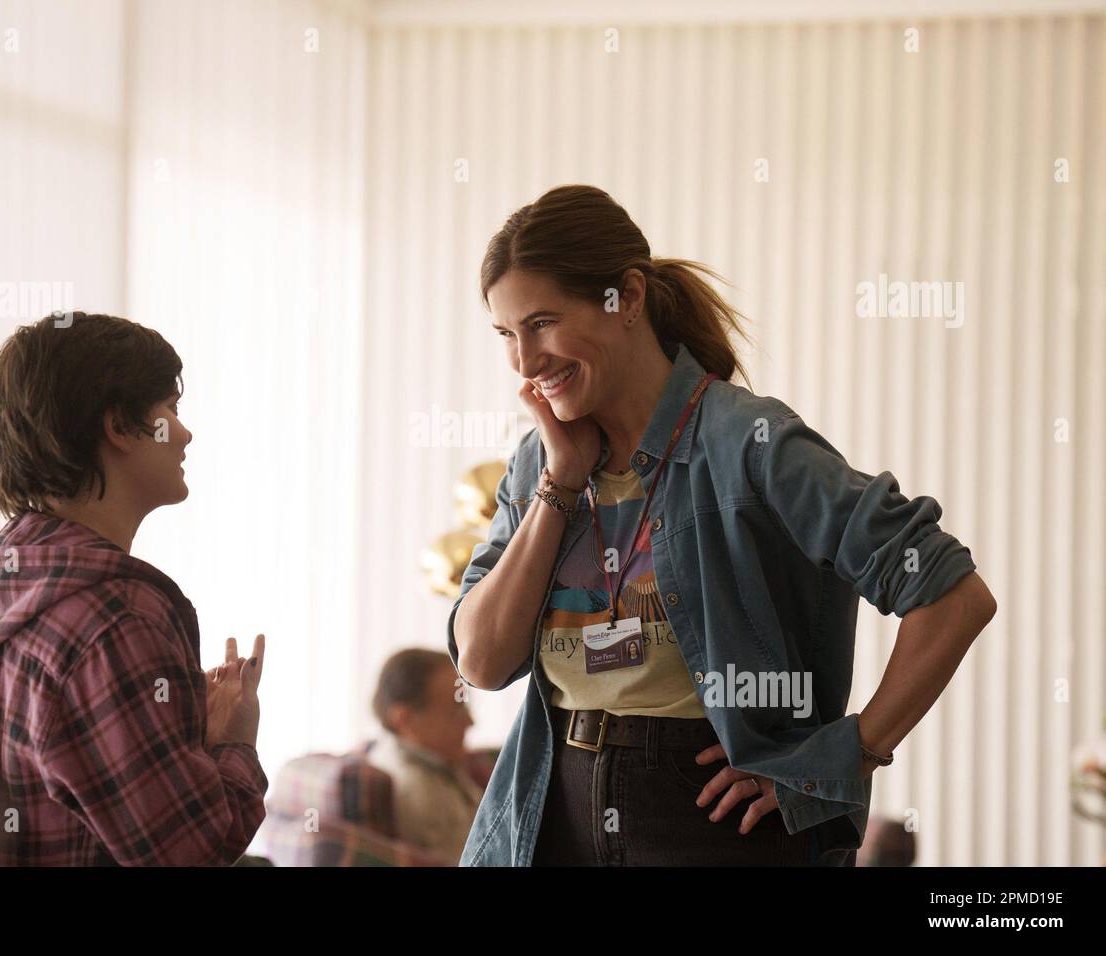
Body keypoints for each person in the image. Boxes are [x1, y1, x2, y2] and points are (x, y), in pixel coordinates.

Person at [449, 185, 998, 866]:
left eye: (542, 323)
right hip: (549, 811)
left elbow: (953, 595)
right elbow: (481, 660)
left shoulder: (749, 442)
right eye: (506, 334)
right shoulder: (539, 457)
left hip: (707, 825)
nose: (525, 364)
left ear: (629, 298)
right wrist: (559, 483)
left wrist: (845, 756)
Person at [0, 312, 268, 866]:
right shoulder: (114, 620)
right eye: (171, 412)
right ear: (118, 426)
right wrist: (234, 740)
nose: (186, 433)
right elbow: (192, 853)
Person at [366, 649, 483, 863]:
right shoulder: (418, 789)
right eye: (456, 709)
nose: (470, 722)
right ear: (405, 720)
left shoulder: (392, 755)